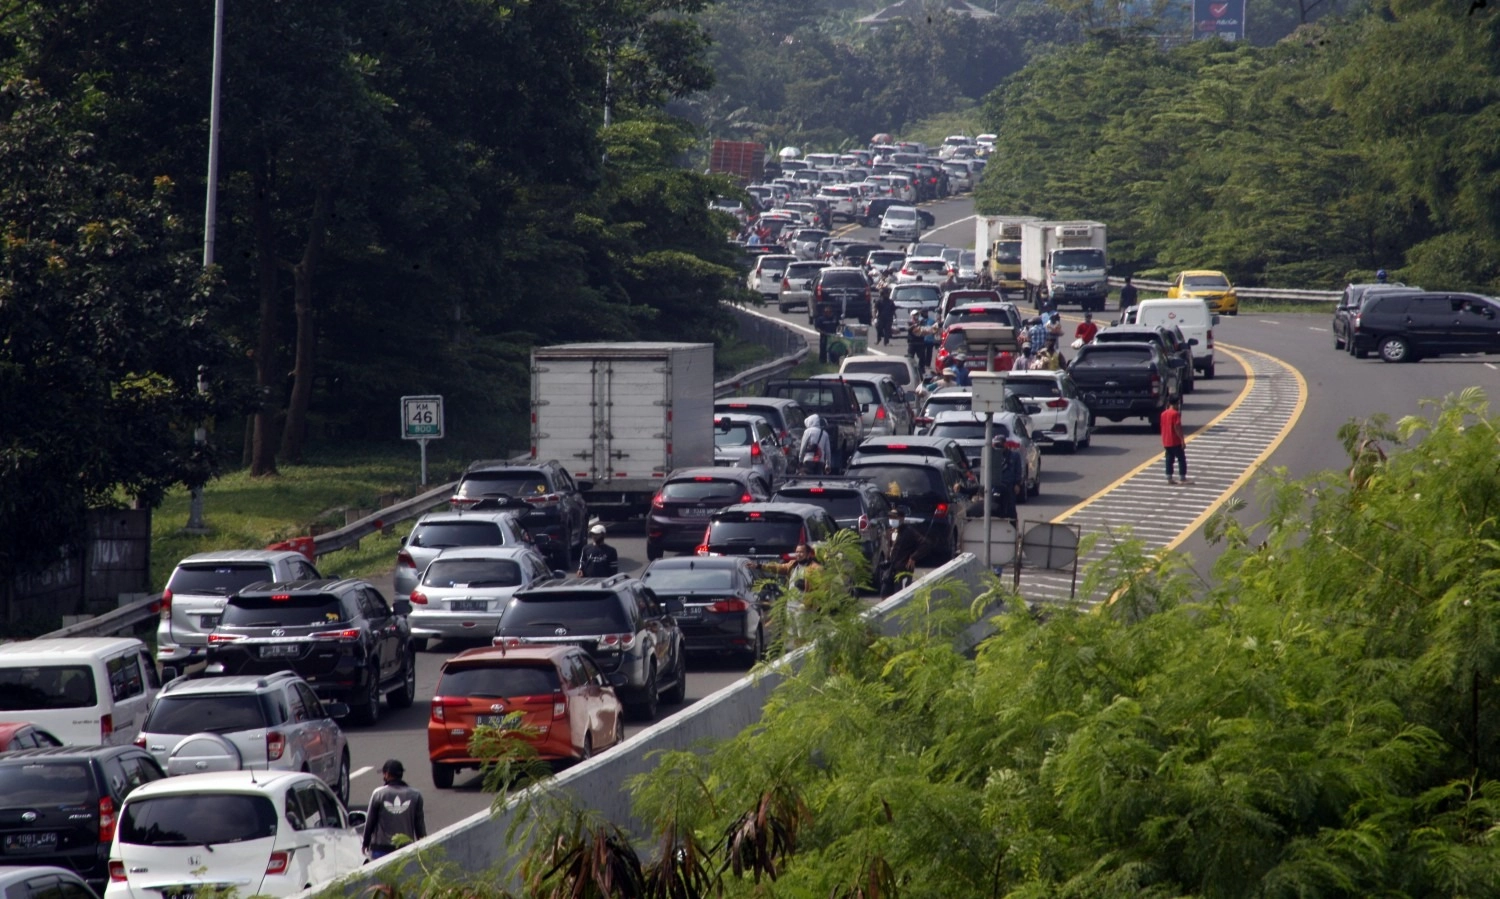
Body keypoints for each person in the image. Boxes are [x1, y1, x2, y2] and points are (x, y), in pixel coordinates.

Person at [363, 760, 426, 860]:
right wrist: (423, 845)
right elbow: (420, 826)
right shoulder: (415, 795)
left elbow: (370, 821)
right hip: (406, 850)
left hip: (380, 850)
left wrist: (365, 842)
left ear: (387, 774)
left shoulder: (379, 794)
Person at [879, 509, 927, 597]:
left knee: (899, 596)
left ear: (902, 518)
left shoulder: (909, 531)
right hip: (891, 568)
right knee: (884, 594)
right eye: (890, 517)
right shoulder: (892, 531)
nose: (892, 520)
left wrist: (913, 557)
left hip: (902, 570)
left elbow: (925, 544)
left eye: (895, 517)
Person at [988, 430, 1022, 526]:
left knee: (1011, 509)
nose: (998, 447)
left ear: (1005, 444)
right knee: (995, 507)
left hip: (1009, 486)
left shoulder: (1014, 456)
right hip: (996, 485)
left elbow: (1018, 471)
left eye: (1000, 445)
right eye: (996, 445)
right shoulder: (992, 456)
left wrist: (1017, 484)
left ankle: (1013, 529)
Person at [1161, 395, 1189, 485]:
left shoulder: (1163, 414)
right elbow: (1177, 427)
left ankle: (1169, 477)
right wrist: (1182, 440)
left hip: (1166, 440)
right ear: (1177, 403)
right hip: (1175, 441)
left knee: (1169, 459)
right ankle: (1182, 477)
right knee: (1181, 459)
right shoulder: (1175, 414)